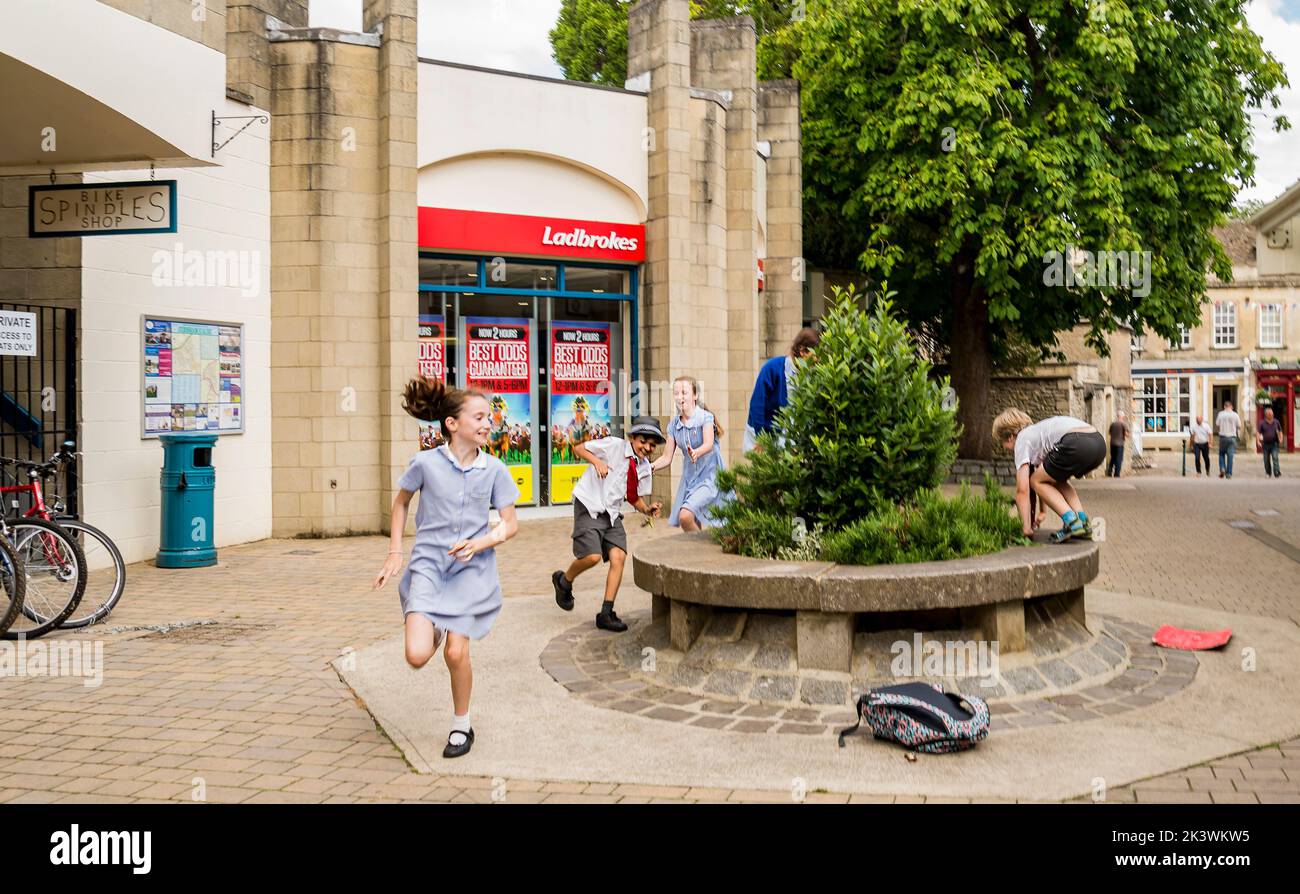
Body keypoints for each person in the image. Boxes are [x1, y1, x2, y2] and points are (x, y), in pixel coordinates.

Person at [373, 377, 520, 759]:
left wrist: (483, 542)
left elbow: (511, 524)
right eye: (480, 417)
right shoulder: (424, 463)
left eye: (489, 417)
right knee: (417, 655)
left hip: (471, 571)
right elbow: (401, 503)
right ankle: (433, 621)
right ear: (452, 424)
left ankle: (461, 725)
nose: (488, 423)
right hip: (427, 567)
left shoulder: (495, 469)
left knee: (456, 653)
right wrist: (395, 552)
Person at [551, 416, 665, 632]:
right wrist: (597, 461)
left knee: (619, 557)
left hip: (611, 513)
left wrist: (646, 509)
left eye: (652, 445)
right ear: (632, 438)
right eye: (643, 441)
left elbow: (632, 495)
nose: (647, 447)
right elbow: (578, 449)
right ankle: (564, 581)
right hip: (590, 505)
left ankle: (606, 612)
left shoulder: (643, 467)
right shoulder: (614, 445)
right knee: (592, 557)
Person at [993, 409, 1107, 544]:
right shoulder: (1038, 433)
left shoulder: (1022, 440)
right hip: (1098, 443)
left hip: (1076, 442)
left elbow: (1022, 490)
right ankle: (1083, 522)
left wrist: (1026, 528)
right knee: (1059, 481)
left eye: (1003, 444)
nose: (1005, 448)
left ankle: (1072, 521)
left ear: (1010, 437)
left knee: (1034, 481)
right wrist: (1042, 512)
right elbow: (1046, 479)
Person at [652, 376, 727, 531]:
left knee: (685, 516)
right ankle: (699, 553)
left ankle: (702, 550)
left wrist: (696, 452)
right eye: (676, 393)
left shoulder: (706, 418)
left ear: (695, 396)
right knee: (691, 520)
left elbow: (708, 444)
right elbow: (666, 457)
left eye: (684, 393)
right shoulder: (674, 424)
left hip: (710, 475)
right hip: (690, 478)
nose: (680, 397)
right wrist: (649, 467)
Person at [744, 327, 820, 451]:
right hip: (766, 437)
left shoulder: (812, 376)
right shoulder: (772, 368)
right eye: (816, 355)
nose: (818, 360)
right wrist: (761, 439)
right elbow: (757, 404)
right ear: (803, 351)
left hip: (796, 441)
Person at [1215, 400, 1242, 479]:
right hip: (1232, 437)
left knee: (1221, 454)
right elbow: (1239, 426)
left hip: (1223, 436)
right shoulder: (1235, 415)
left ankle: (1222, 468)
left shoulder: (1221, 414)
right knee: (1230, 456)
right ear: (1231, 407)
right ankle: (1229, 473)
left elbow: (1217, 424)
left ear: (1224, 406)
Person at [1257, 406, 1283, 478]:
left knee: (1275, 457)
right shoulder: (1262, 423)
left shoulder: (1276, 422)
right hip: (1265, 444)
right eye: (1270, 414)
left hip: (1274, 443)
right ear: (1266, 415)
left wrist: (1281, 439)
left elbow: (1280, 431)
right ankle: (1268, 472)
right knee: (1266, 459)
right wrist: (1258, 441)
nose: (1272, 415)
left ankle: (1276, 472)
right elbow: (1258, 433)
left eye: (1272, 413)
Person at [1106, 412, 1129, 477]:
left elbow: (1110, 433)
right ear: (1122, 417)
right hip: (1120, 444)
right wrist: (1125, 435)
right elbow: (1126, 434)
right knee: (1119, 459)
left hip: (1112, 443)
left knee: (1113, 458)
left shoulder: (1113, 424)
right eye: (1123, 417)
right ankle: (1117, 473)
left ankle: (1109, 472)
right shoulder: (1123, 424)